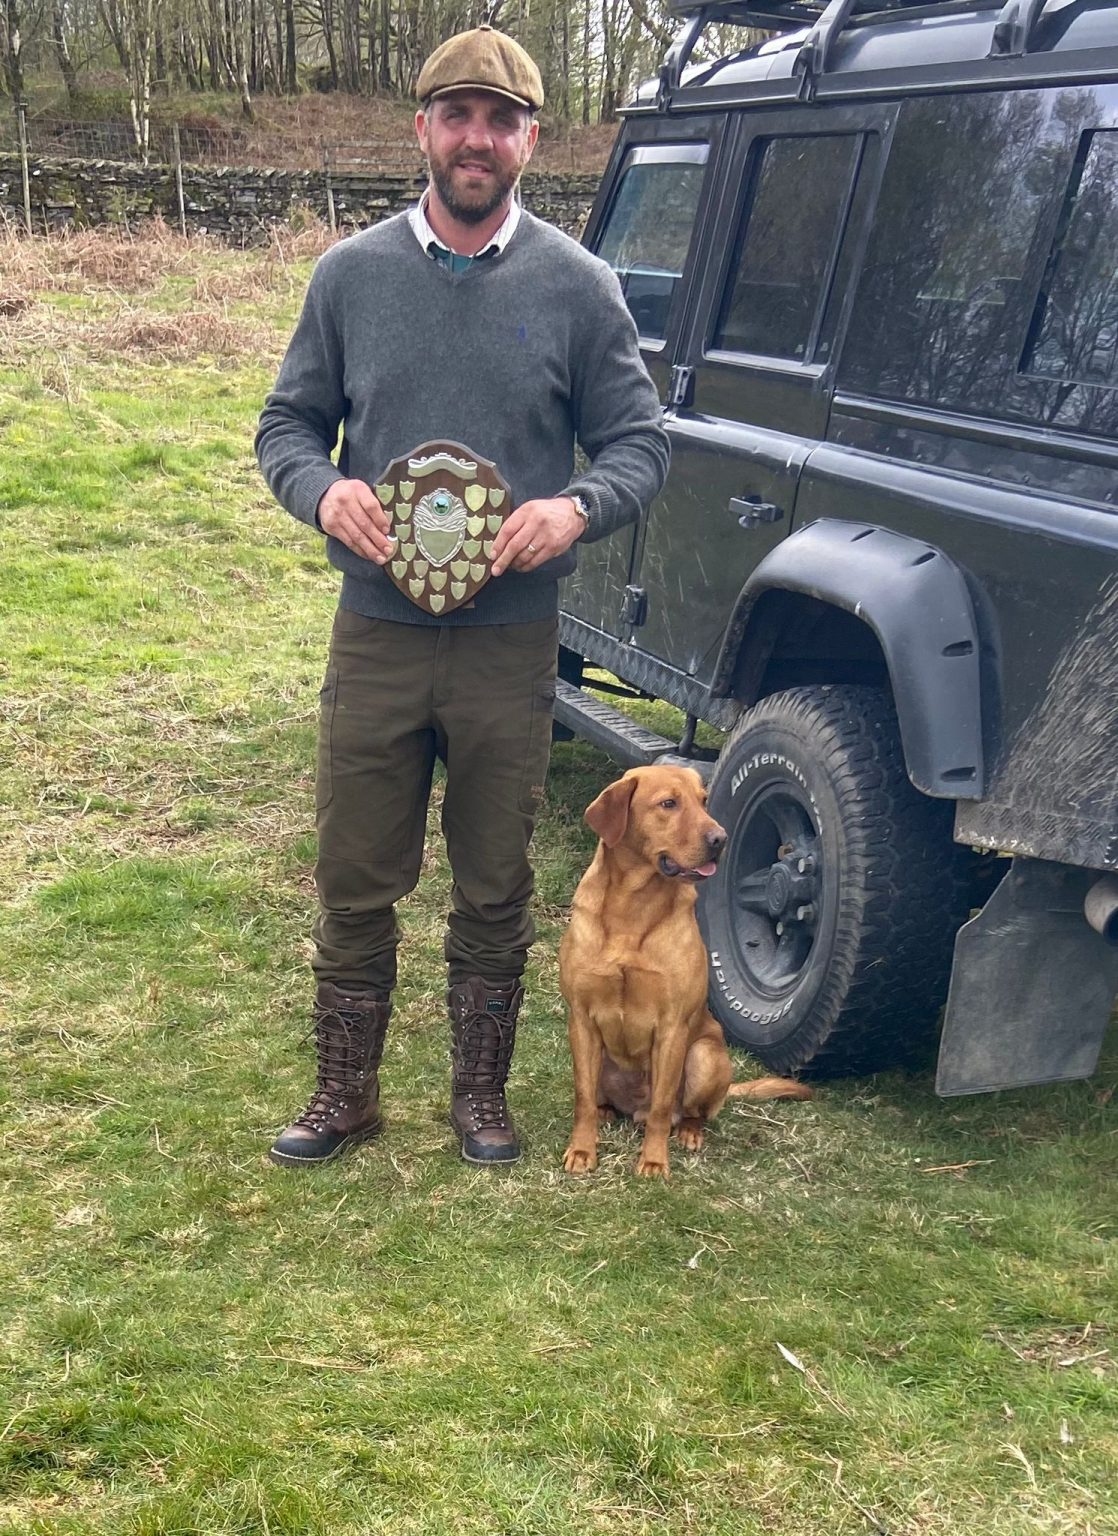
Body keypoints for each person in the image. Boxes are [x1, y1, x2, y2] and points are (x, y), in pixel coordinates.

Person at [255, 24, 669, 1170]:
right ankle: (345, 1093)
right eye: (457, 114)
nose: (476, 138)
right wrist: (321, 489)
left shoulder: (580, 289)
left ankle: (479, 1099)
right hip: (377, 631)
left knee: (493, 880)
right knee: (354, 872)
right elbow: (286, 424)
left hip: (506, 640)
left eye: (500, 119)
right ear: (422, 131)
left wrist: (573, 510)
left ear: (530, 140)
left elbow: (639, 444)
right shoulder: (349, 278)